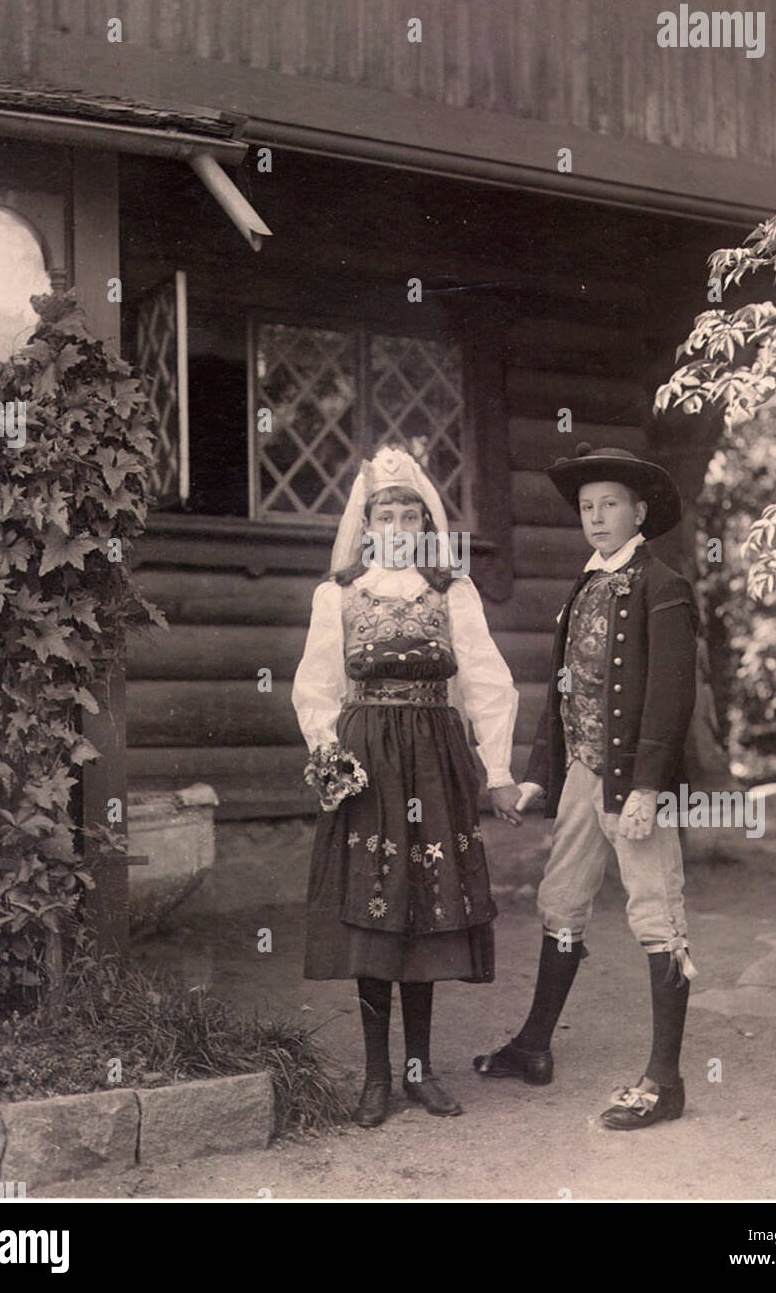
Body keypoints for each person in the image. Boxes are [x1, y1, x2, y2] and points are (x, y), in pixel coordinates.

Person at [292, 446, 521, 1128]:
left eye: (408, 513)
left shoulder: (454, 593)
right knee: (373, 906)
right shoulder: (337, 594)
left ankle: (419, 1072)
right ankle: (376, 1076)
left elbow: (487, 682)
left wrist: (501, 773)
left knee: (424, 906)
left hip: (434, 757)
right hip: (368, 763)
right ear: (366, 525)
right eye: (383, 513)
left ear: (427, 524)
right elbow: (316, 685)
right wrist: (329, 754)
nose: (396, 524)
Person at [473, 443, 699, 1130]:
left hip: (634, 783)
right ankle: (535, 1046)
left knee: (657, 912)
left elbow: (670, 697)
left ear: (639, 512)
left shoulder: (664, 585)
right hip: (581, 776)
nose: (596, 518)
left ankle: (666, 1081)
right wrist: (541, 773)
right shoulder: (586, 586)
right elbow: (565, 693)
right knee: (563, 901)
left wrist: (648, 787)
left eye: (610, 506)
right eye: (587, 507)